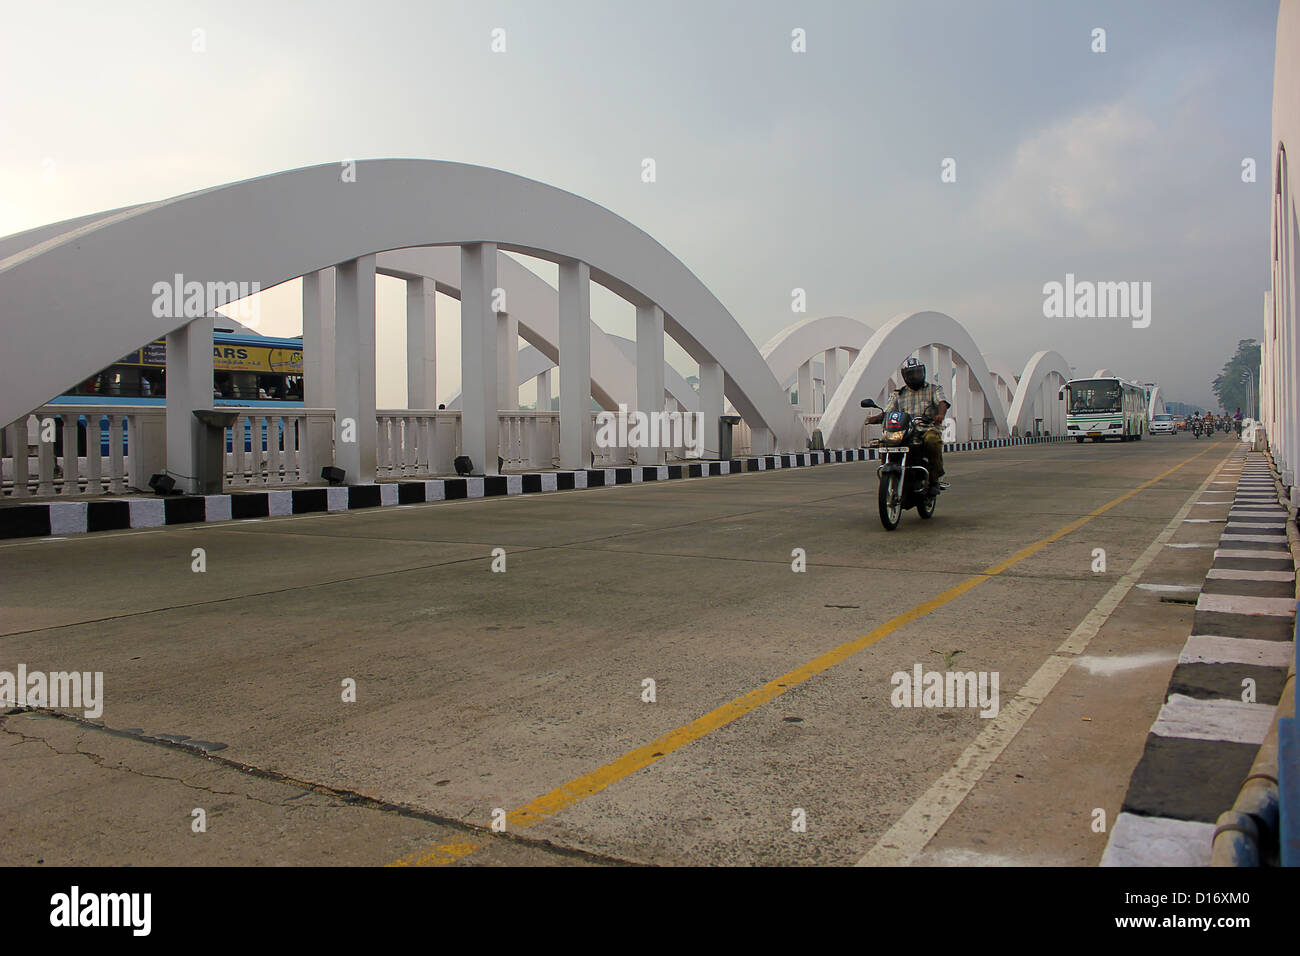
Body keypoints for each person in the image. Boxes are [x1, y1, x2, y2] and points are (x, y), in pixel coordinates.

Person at [864, 357, 950, 492]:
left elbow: (942, 402)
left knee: (932, 441)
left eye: (917, 373)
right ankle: (889, 473)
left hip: (926, 428)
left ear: (923, 373)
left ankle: (934, 479)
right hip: (905, 431)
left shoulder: (934, 389)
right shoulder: (898, 394)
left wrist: (940, 414)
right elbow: (888, 412)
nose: (915, 376)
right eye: (911, 374)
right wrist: (873, 418)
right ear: (905, 376)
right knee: (885, 442)